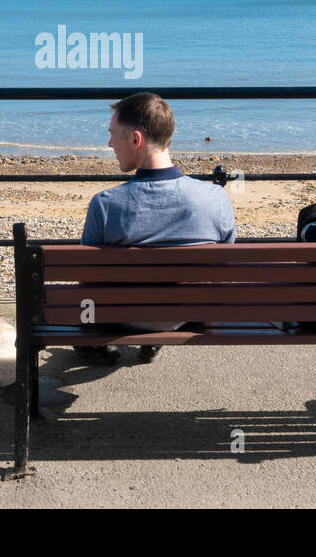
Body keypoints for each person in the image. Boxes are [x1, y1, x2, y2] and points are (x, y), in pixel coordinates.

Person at [79, 92, 235, 365]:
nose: (109, 143)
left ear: (136, 139)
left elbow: (87, 282)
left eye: (113, 134)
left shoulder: (105, 204)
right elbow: (223, 272)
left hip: (124, 317)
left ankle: (99, 345)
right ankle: (155, 332)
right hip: (187, 313)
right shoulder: (215, 198)